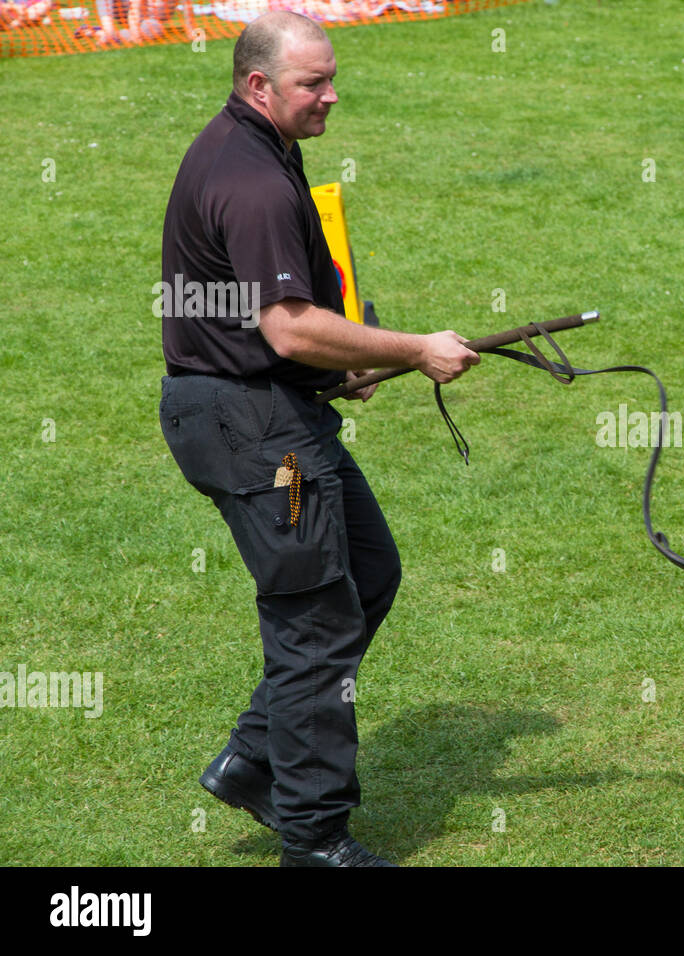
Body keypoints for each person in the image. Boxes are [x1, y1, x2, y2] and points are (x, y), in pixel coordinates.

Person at [158, 10, 478, 866]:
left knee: (368, 570)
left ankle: (253, 761)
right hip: (252, 429)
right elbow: (292, 328)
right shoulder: (255, 181)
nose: (332, 96)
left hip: (261, 408)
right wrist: (413, 349)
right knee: (314, 628)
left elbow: (257, 323)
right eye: (315, 84)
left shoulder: (256, 149)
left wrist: (343, 368)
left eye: (332, 78)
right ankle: (315, 837)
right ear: (258, 85)